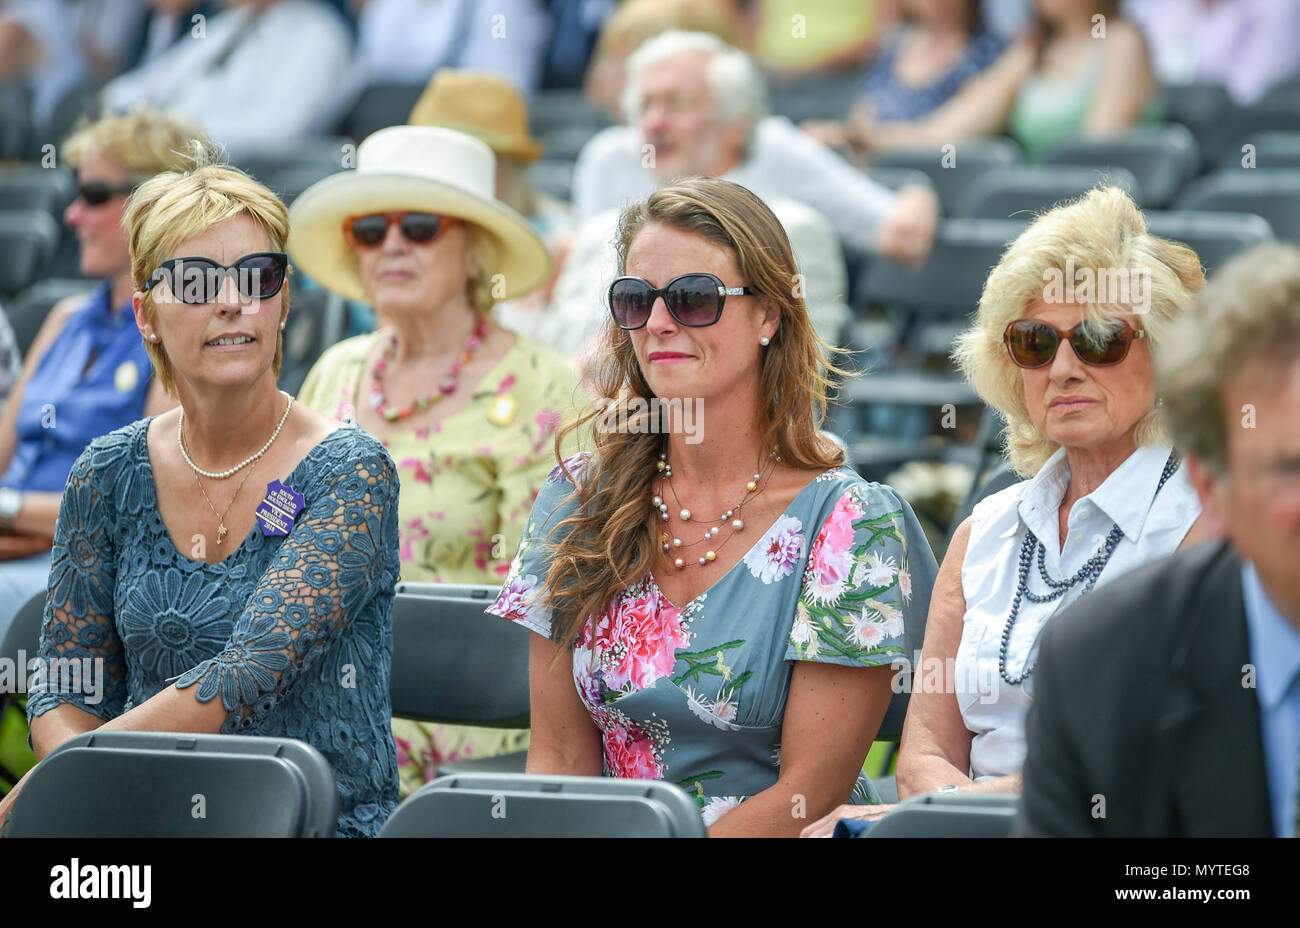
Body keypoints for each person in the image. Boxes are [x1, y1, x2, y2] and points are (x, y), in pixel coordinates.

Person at [488, 176, 937, 835]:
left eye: (695, 298)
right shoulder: (578, 496)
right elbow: (558, 759)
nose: (661, 322)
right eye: (636, 299)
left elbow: (809, 793)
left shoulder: (851, 523)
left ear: (769, 315)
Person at [0, 159, 400, 837]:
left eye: (258, 277)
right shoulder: (105, 471)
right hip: (137, 817)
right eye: (194, 281)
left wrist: (66, 778)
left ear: (284, 302)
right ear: (146, 314)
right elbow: (65, 681)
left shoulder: (351, 471)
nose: (232, 300)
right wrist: (81, 779)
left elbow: (248, 673)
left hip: (308, 825)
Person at [803, 186, 1208, 836]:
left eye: (1100, 339)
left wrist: (976, 817)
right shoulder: (983, 530)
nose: (1065, 368)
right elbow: (925, 754)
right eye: (1035, 342)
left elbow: (1146, 760)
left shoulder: (1203, 523)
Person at [290, 126, 583, 795]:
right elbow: (280, 523)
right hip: (319, 687)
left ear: (476, 251)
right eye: (370, 229)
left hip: (474, 709)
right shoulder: (335, 371)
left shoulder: (542, 383)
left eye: (420, 227)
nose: (392, 244)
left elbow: (549, 590)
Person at [1016, 243, 1300, 837]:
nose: (1065, 367)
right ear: (1213, 488)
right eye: (1286, 469)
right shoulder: (1100, 670)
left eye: (1097, 339)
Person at [0, 109, 191, 642]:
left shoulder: (177, 327)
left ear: (153, 202)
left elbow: (144, 500)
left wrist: (11, 510)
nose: (73, 215)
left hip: (83, 571)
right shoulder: (63, 319)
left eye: (95, 195)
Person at [570, 31, 938, 266]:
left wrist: (919, 192)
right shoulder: (610, 157)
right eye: (645, 105)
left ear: (735, 125)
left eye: (678, 104)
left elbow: (901, 235)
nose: (654, 123)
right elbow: (586, 286)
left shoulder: (773, 149)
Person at [856, 0, 1158, 159]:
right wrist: (861, 137)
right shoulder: (1031, 48)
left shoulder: (1122, 41)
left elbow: (1095, 155)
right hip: (1040, 224)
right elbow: (946, 132)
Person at [407, 68, 569, 341]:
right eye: (436, 154)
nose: (447, 170)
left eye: (468, 157)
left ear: (503, 166)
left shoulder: (559, 240)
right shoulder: (391, 228)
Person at [101, 0, 351, 154]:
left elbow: (281, 129)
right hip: (165, 155)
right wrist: (113, 106)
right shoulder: (229, 23)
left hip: (230, 180)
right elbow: (153, 82)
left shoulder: (317, 34)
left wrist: (177, 130)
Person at [801, 0, 1006, 156]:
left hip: (942, 183)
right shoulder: (892, 44)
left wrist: (861, 139)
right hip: (876, 175)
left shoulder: (989, 52)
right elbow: (861, 118)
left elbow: (945, 136)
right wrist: (836, 136)